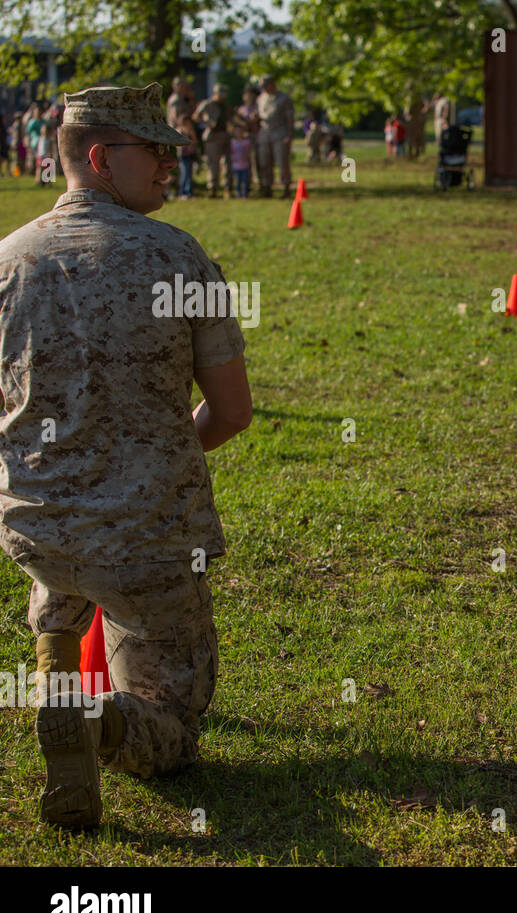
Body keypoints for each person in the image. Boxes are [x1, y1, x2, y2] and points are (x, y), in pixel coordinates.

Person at [0, 83, 252, 829]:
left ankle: (56, 664)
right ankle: (101, 723)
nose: (173, 167)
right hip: (151, 534)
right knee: (173, 726)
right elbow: (233, 412)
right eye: (157, 154)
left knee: (64, 561)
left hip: (37, 526)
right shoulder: (179, 257)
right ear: (103, 158)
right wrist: (165, 454)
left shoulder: (7, 258)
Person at [255, 75, 294, 198]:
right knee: (264, 161)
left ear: (272, 84)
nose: (264, 88)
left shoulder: (284, 98)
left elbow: (290, 118)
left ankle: (286, 187)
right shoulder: (261, 98)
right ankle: (267, 187)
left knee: (282, 161)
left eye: (266, 85)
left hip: (280, 132)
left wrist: (289, 135)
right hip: (265, 133)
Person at [193, 83, 232, 198]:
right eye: (221, 94)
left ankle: (228, 187)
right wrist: (207, 123)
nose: (223, 97)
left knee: (227, 163)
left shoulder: (225, 105)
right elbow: (196, 116)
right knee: (213, 163)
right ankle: (213, 188)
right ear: (215, 93)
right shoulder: (207, 104)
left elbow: (233, 117)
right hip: (212, 136)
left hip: (225, 135)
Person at [230, 123, 252, 198]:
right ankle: (238, 193)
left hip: (245, 165)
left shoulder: (246, 142)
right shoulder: (232, 142)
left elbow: (249, 152)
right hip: (236, 166)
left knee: (245, 180)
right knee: (238, 181)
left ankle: (245, 193)